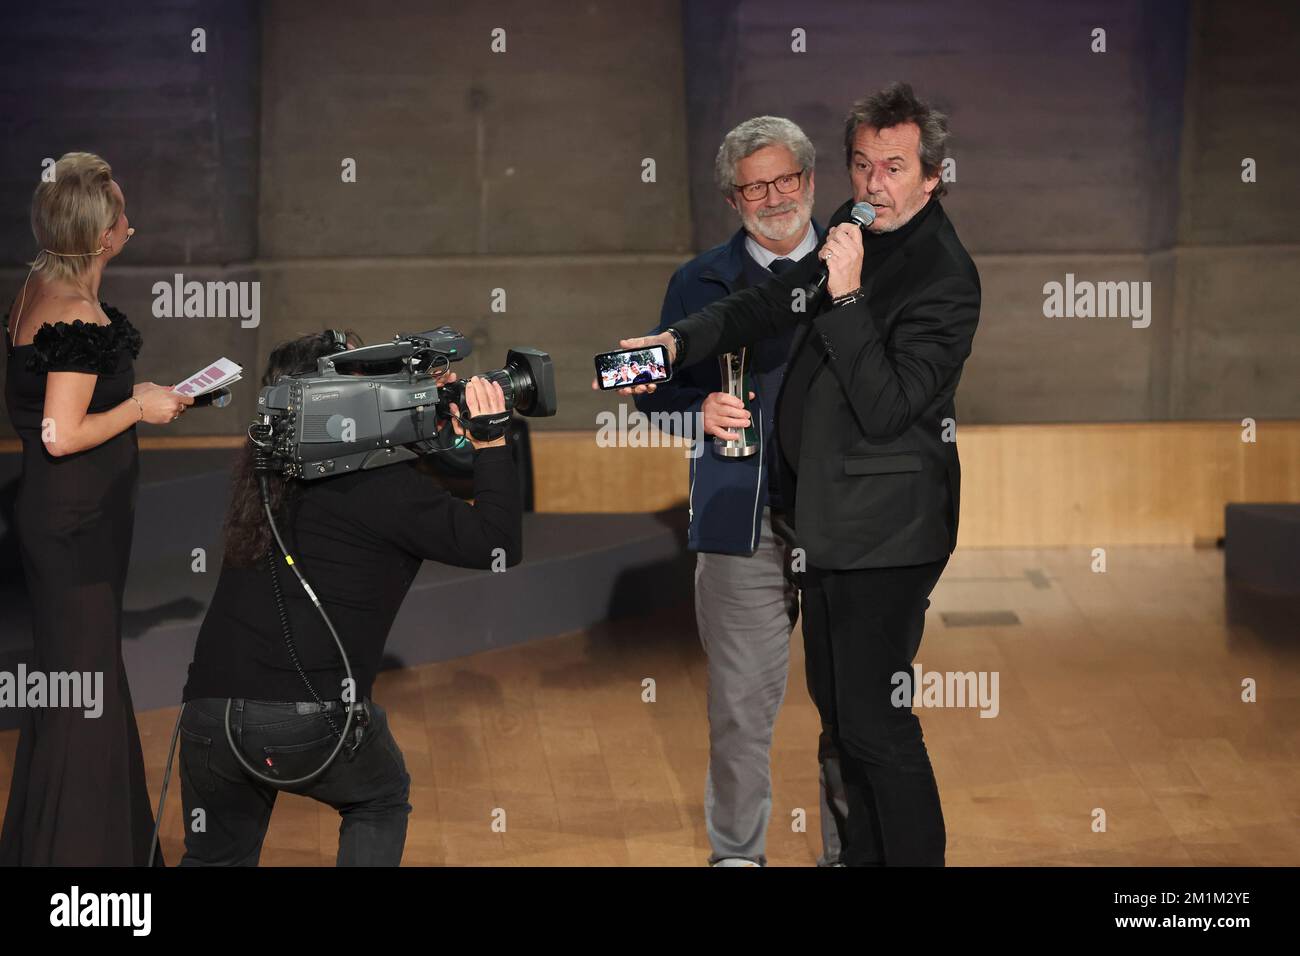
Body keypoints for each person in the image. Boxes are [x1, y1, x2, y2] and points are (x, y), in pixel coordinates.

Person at [609, 84, 980, 865]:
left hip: (885, 533)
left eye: (894, 167)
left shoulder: (942, 274)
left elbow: (887, 409)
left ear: (932, 176)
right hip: (807, 527)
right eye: (864, 165)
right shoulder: (854, 232)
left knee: (876, 728)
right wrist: (669, 351)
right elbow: (762, 307)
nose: (874, 183)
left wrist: (841, 297)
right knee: (840, 720)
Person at [176, 331, 522, 866]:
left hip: (208, 714)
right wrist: (492, 440)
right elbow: (496, 542)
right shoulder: (382, 487)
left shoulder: (264, 474)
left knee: (214, 860)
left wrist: (428, 407)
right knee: (380, 799)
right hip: (306, 719)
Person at [629, 116, 847, 867]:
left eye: (786, 179)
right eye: (755, 185)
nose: (774, 196)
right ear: (732, 198)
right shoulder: (698, 280)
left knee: (851, 709)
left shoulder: (861, 266)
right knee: (739, 709)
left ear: (813, 182)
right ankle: (737, 856)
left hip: (846, 520)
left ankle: (848, 853)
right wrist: (697, 411)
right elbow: (649, 392)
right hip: (739, 518)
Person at [1, 151, 194, 865]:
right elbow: (61, 433)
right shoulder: (77, 315)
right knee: (87, 696)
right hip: (75, 527)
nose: (129, 222)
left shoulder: (34, 292)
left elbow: (67, 407)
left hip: (63, 522)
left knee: (77, 688)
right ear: (101, 235)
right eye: (119, 213)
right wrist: (140, 407)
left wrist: (138, 399)